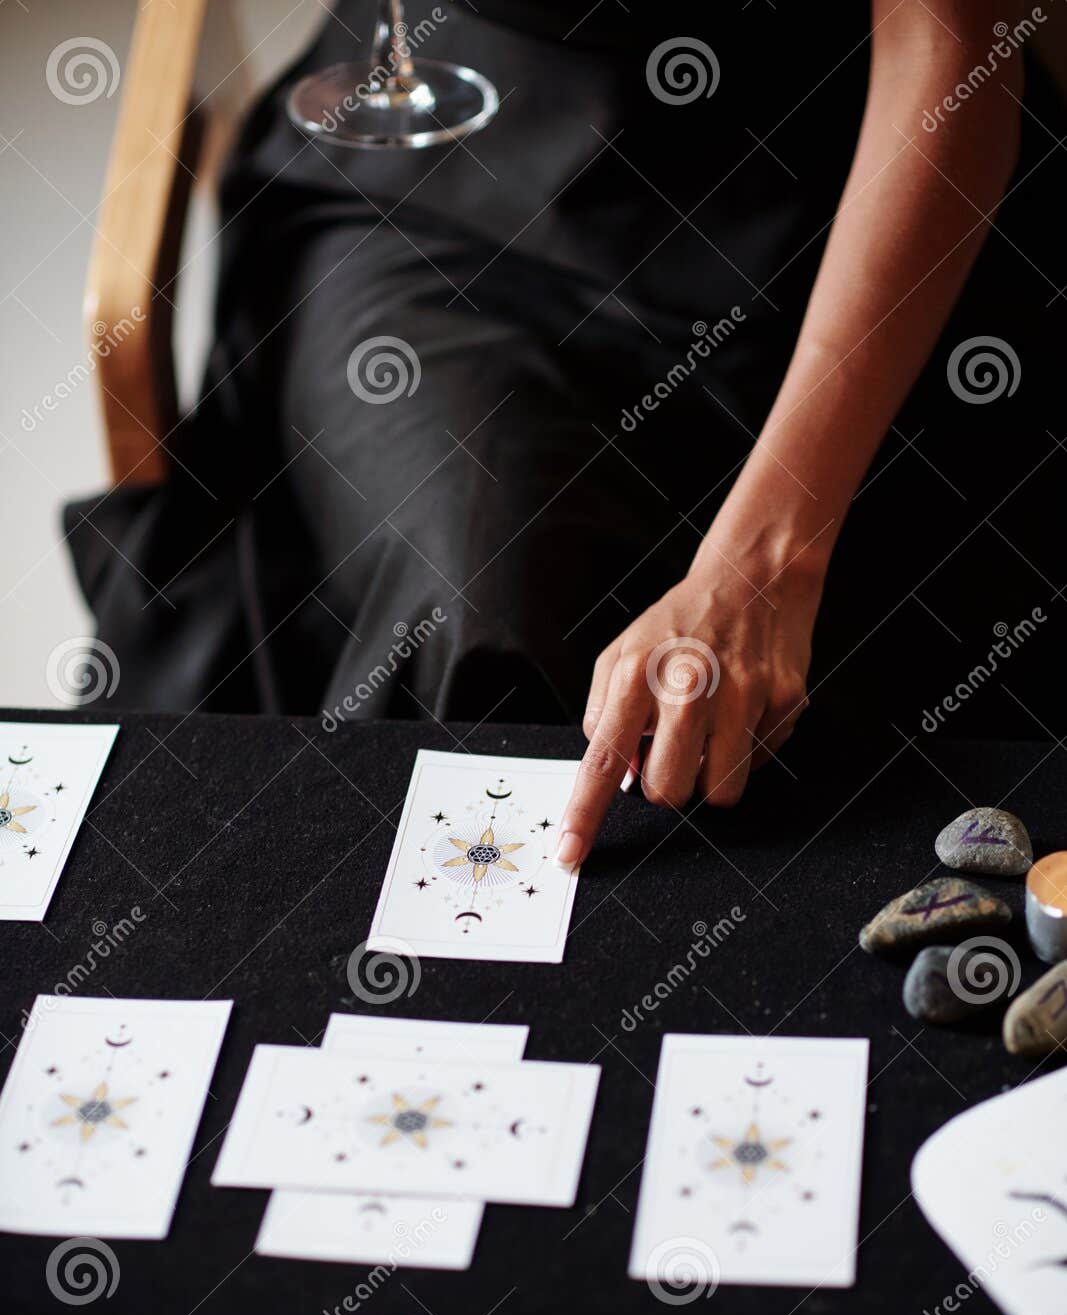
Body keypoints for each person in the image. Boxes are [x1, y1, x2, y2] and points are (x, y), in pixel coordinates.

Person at [67, 1, 1065, 857]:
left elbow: (949, 43)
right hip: (436, 163)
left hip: (821, 185)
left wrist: (764, 561)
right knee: (478, 605)